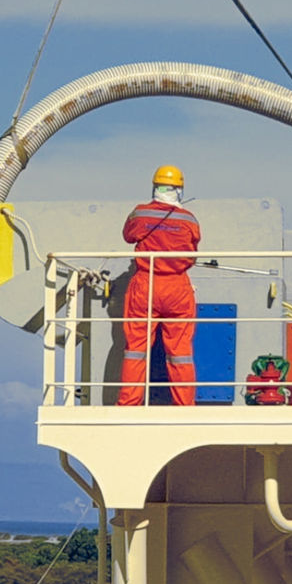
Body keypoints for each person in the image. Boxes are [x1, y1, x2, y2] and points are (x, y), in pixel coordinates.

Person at [116, 165, 200, 406]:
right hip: (177, 286)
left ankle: (129, 403)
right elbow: (192, 251)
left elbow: (128, 236)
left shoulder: (139, 214)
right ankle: (185, 405)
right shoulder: (189, 219)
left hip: (145, 283)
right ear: (180, 190)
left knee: (136, 348)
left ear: (155, 187)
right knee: (181, 350)